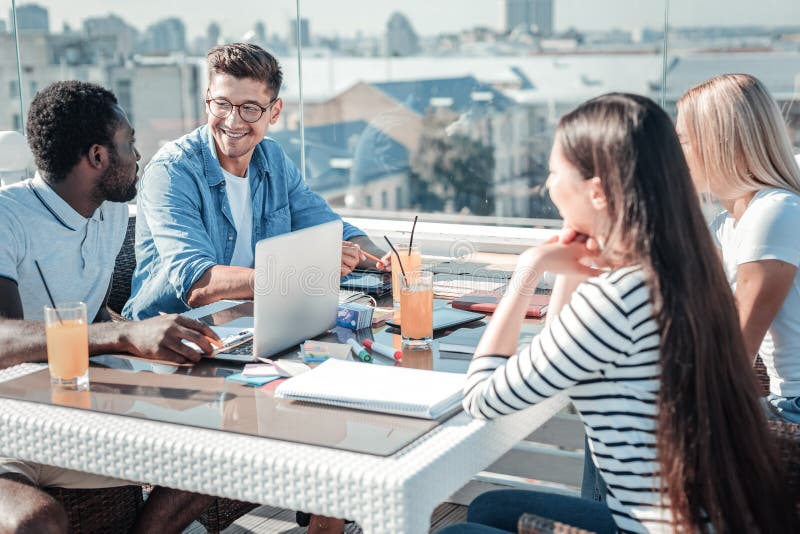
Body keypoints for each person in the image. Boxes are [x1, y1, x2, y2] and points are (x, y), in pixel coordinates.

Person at [440, 93, 797, 533]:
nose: (547, 186)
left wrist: (526, 272)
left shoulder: (617, 299)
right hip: (705, 520)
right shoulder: (683, 271)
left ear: (595, 190)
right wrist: (575, 267)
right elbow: (560, 347)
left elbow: (481, 399)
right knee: (490, 510)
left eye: (554, 172)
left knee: (457, 531)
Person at [0, 80, 219, 532]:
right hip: (8, 431)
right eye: (129, 143)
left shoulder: (111, 210)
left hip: (70, 417)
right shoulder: (8, 216)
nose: (138, 156)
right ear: (98, 157)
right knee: (36, 522)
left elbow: (95, 316)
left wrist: (161, 350)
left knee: (224, 439)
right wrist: (126, 334)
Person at [124, 43, 386, 320]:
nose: (233, 122)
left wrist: (383, 260)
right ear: (207, 101)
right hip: (167, 340)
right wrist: (296, 273)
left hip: (251, 323)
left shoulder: (272, 158)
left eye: (250, 108)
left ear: (274, 112)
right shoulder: (172, 171)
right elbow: (197, 284)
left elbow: (330, 228)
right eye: (222, 104)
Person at [676, 73, 800, 424]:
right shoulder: (727, 227)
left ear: (719, 142)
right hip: (781, 400)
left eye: (683, 140)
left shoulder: (775, 213)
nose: (675, 153)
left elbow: (736, 350)